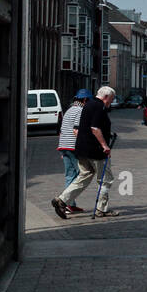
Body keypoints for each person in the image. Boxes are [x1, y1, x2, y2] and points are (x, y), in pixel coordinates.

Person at [52, 85, 117, 218]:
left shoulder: (86, 106)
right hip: (95, 151)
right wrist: (105, 145)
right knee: (105, 180)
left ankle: (62, 200)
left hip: (82, 150)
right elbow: (95, 128)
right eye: (111, 99)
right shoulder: (99, 107)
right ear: (106, 97)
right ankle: (101, 209)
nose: (111, 102)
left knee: (84, 176)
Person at [56, 89, 93, 214]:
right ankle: (64, 202)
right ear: (85, 100)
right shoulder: (81, 111)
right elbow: (76, 131)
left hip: (64, 146)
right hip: (73, 147)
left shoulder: (69, 110)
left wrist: (62, 149)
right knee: (81, 175)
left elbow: (62, 130)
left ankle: (70, 204)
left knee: (70, 175)